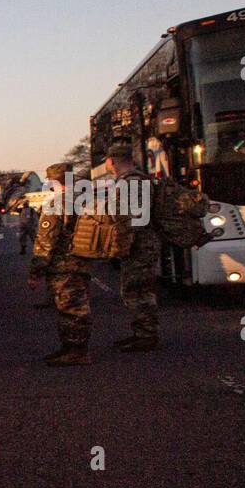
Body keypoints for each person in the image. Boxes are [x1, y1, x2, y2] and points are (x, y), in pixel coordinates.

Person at [29, 162, 92, 366]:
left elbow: (45, 241)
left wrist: (35, 271)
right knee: (77, 306)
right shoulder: (84, 200)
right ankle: (71, 348)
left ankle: (76, 351)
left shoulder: (56, 203)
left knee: (70, 309)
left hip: (63, 265)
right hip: (81, 260)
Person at [107, 140, 162, 351]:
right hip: (143, 242)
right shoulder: (139, 179)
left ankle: (147, 335)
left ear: (112, 161)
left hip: (138, 245)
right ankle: (142, 333)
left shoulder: (129, 183)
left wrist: (118, 247)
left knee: (136, 290)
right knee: (140, 289)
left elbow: (127, 220)